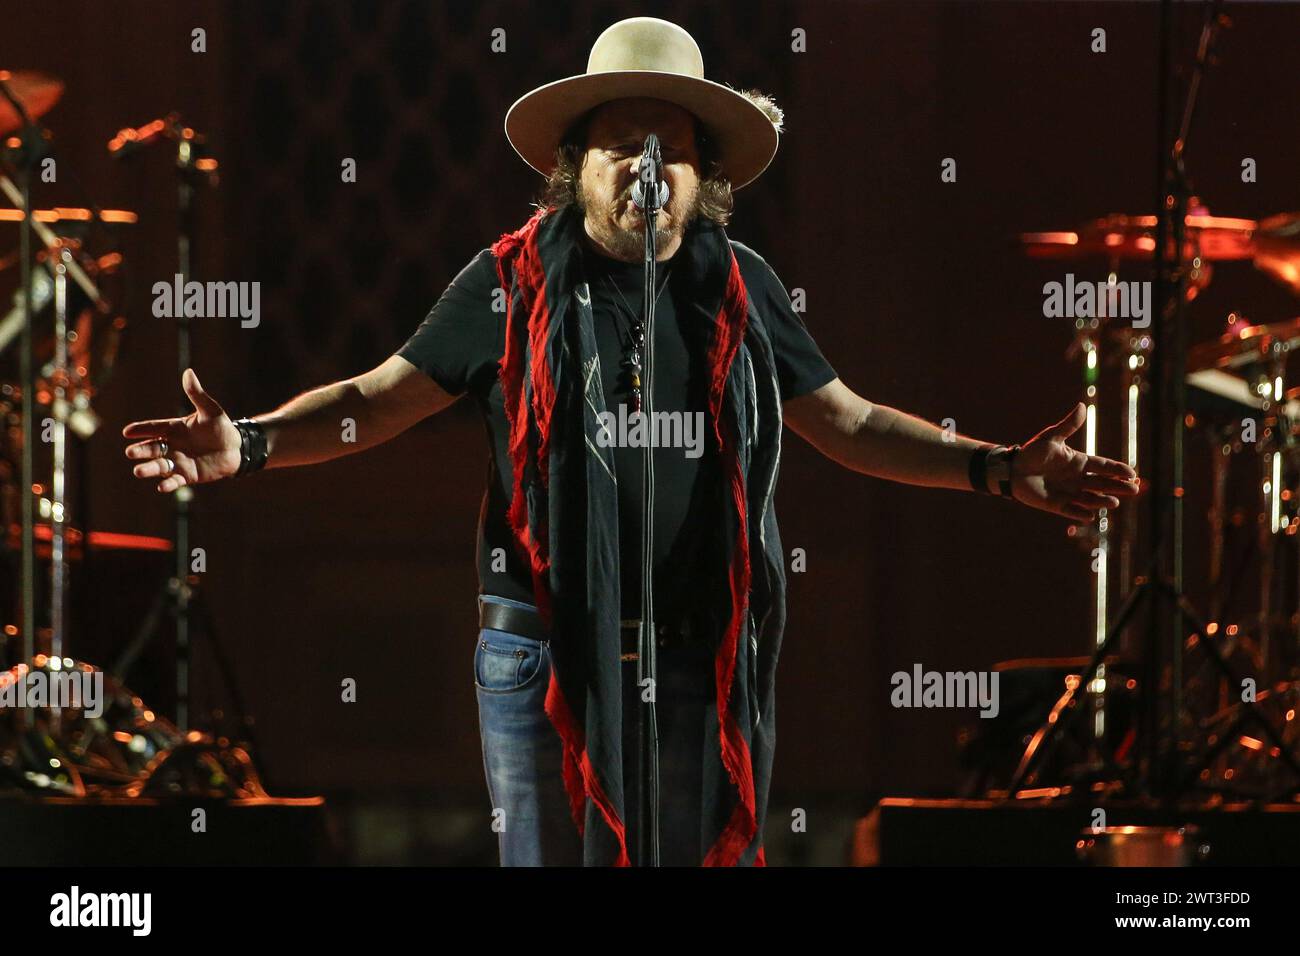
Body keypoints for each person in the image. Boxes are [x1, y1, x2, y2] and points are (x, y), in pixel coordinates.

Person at [121, 17, 1139, 866]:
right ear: (575, 168)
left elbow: (851, 421)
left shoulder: (740, 287)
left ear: (703, 175)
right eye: (621, 142)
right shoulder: (506, 284)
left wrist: (999, 469)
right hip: (538, 646)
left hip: (700, 646)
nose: (647, 164)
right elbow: (376, 397)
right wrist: (248, 443)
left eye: (673, 144)